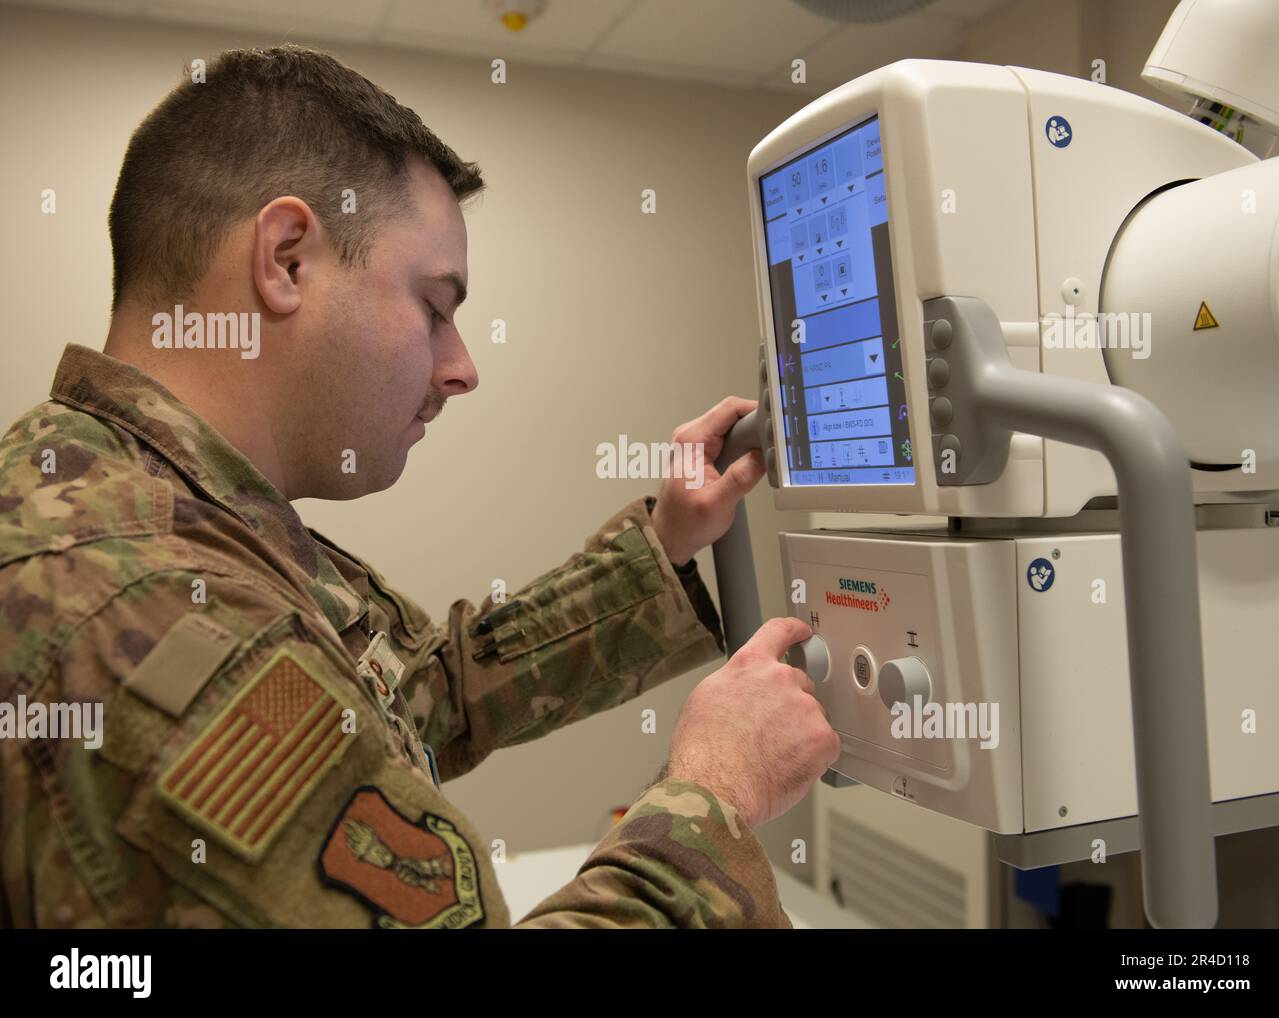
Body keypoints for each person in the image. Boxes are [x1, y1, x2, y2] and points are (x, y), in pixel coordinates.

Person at [0, 45, 839, 929]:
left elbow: (418, 693)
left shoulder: (139, 498)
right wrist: (716, 794)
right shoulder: (144, 611)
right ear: (285, 260)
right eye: (435, 307)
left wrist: (663, 547)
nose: (461, 367)